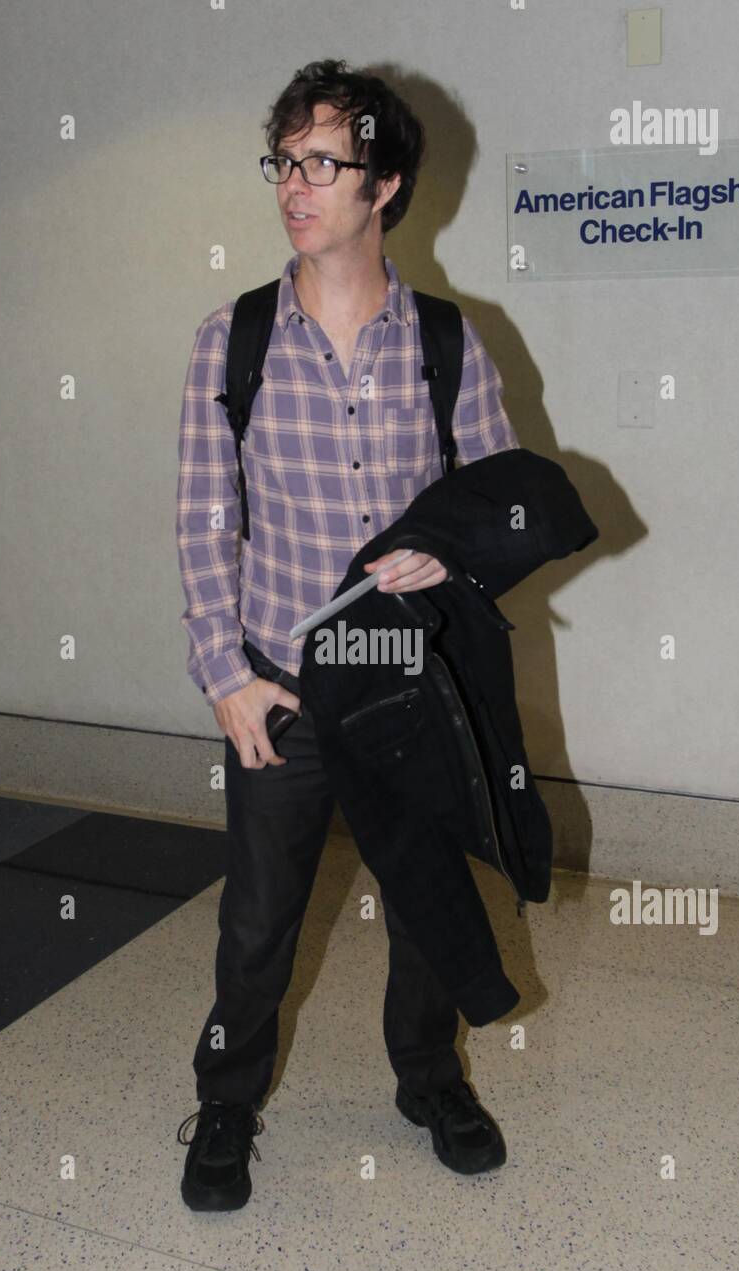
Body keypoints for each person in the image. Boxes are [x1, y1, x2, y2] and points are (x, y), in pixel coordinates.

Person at [175, 58, 519, 1211]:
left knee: (428, 903)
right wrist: (223, 676)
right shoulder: (232, 340)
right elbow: (200, 522)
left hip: (408, 684)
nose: (294, 182)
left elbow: (500, 505)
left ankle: (428, 1080)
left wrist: (457, 554)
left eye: (324, 160)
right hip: (279, 686)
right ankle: (225, 1099)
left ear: (386, 186)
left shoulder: (446, 341)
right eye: (285, 158)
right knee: (259, 915)